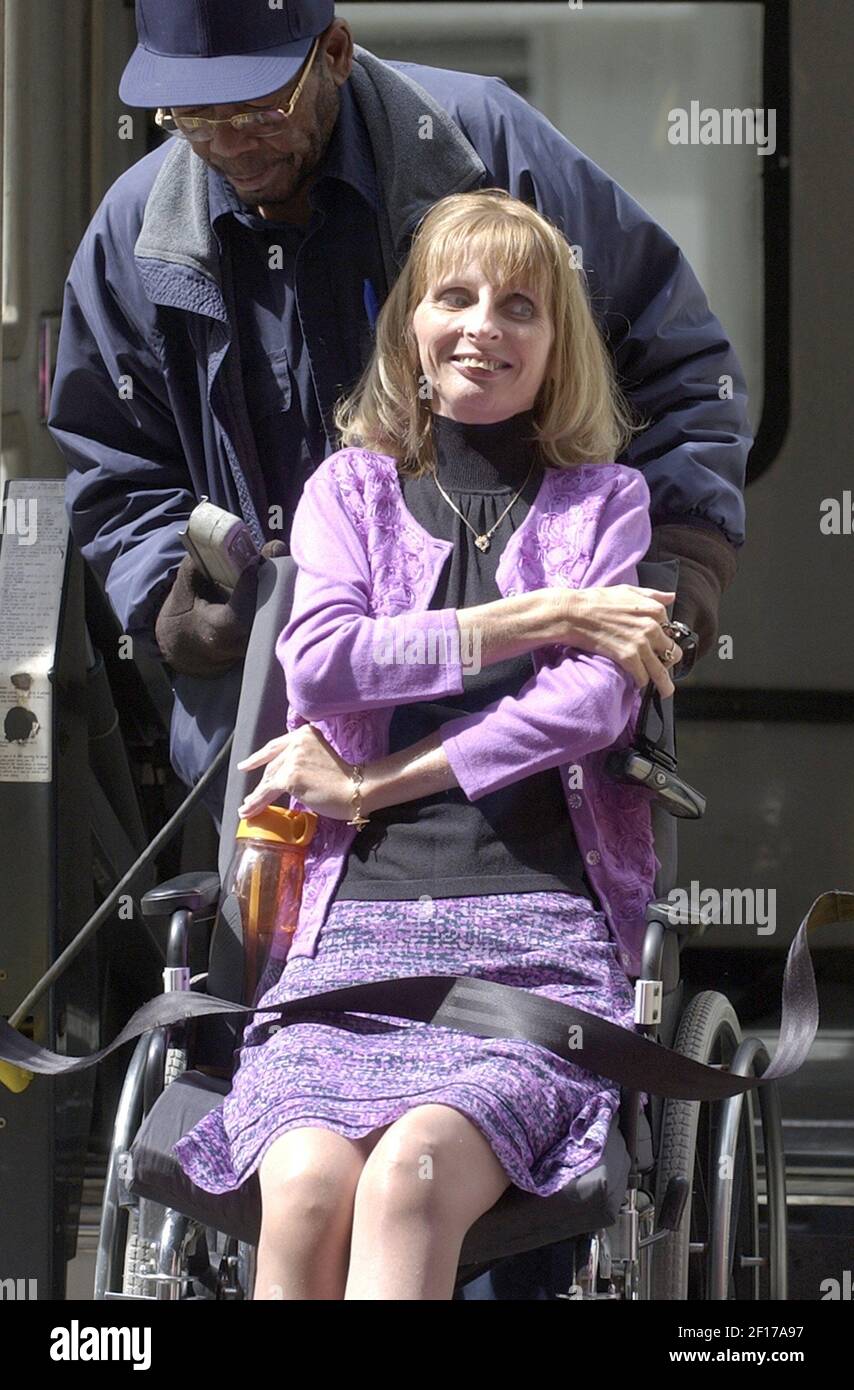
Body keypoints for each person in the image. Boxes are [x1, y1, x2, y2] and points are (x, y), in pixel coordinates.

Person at [47, 0, 750, 831]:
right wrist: (174, 592)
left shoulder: (486, 150)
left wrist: (680, 563)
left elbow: (678, 366)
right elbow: (117, 464)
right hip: (279, 749)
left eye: (260, 109)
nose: (229, 143)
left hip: (538, 752)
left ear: (335, 53)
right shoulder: (131, 233)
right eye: (194, 117)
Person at [171, 187, 681, 1301]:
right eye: (453, 296)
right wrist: (546, 614)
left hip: (535, 940)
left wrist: (371, 782)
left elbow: (589, 712)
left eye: (519, 307)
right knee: (304, 1186)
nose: (482, 326)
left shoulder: (606, 504)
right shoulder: (348, 489)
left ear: (557, 346)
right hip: (351, 941)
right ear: (410, 325)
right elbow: (325, 663)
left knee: (406, 1175)